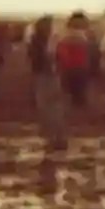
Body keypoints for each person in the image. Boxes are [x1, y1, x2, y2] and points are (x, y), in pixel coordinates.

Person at [28, 16, 67, 151]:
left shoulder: (37, 40)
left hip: (44, 76)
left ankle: (53, 138)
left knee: (47, 109)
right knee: (54, 109)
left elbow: (39, 58)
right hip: (49, 75)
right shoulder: (50, 40)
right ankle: (58, 138)